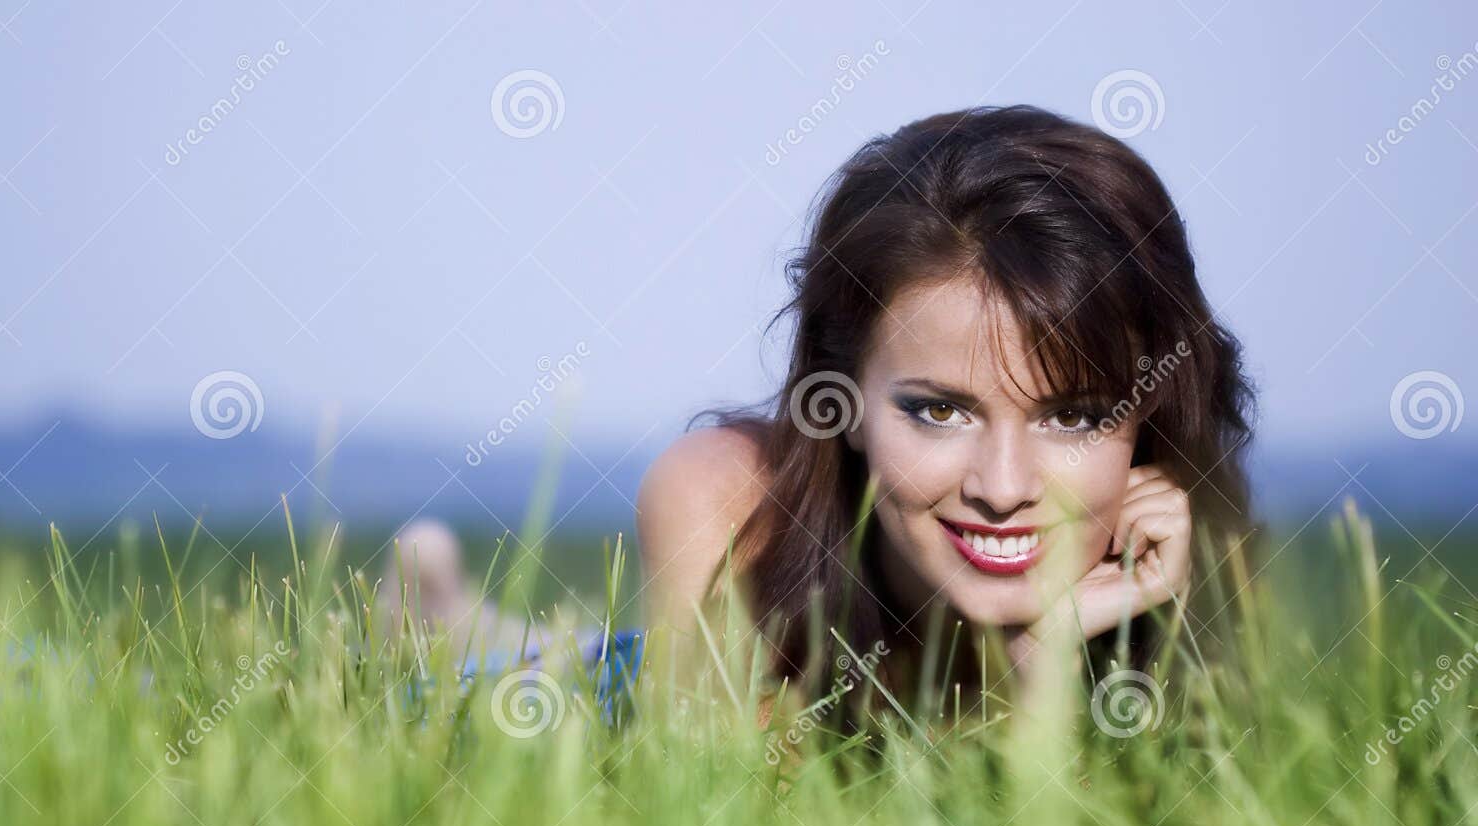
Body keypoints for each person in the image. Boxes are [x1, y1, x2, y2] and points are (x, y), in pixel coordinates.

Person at [396, 105, 1255, 714]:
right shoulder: (729, 498)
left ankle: (450, 605)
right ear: (841, 398)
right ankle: (441, 615)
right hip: (609, 696)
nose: (1003, 487)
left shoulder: (1186, 556)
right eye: (939, 412)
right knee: (517, 677)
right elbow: (714, 814)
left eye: (1072, 417)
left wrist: (1044, 664)